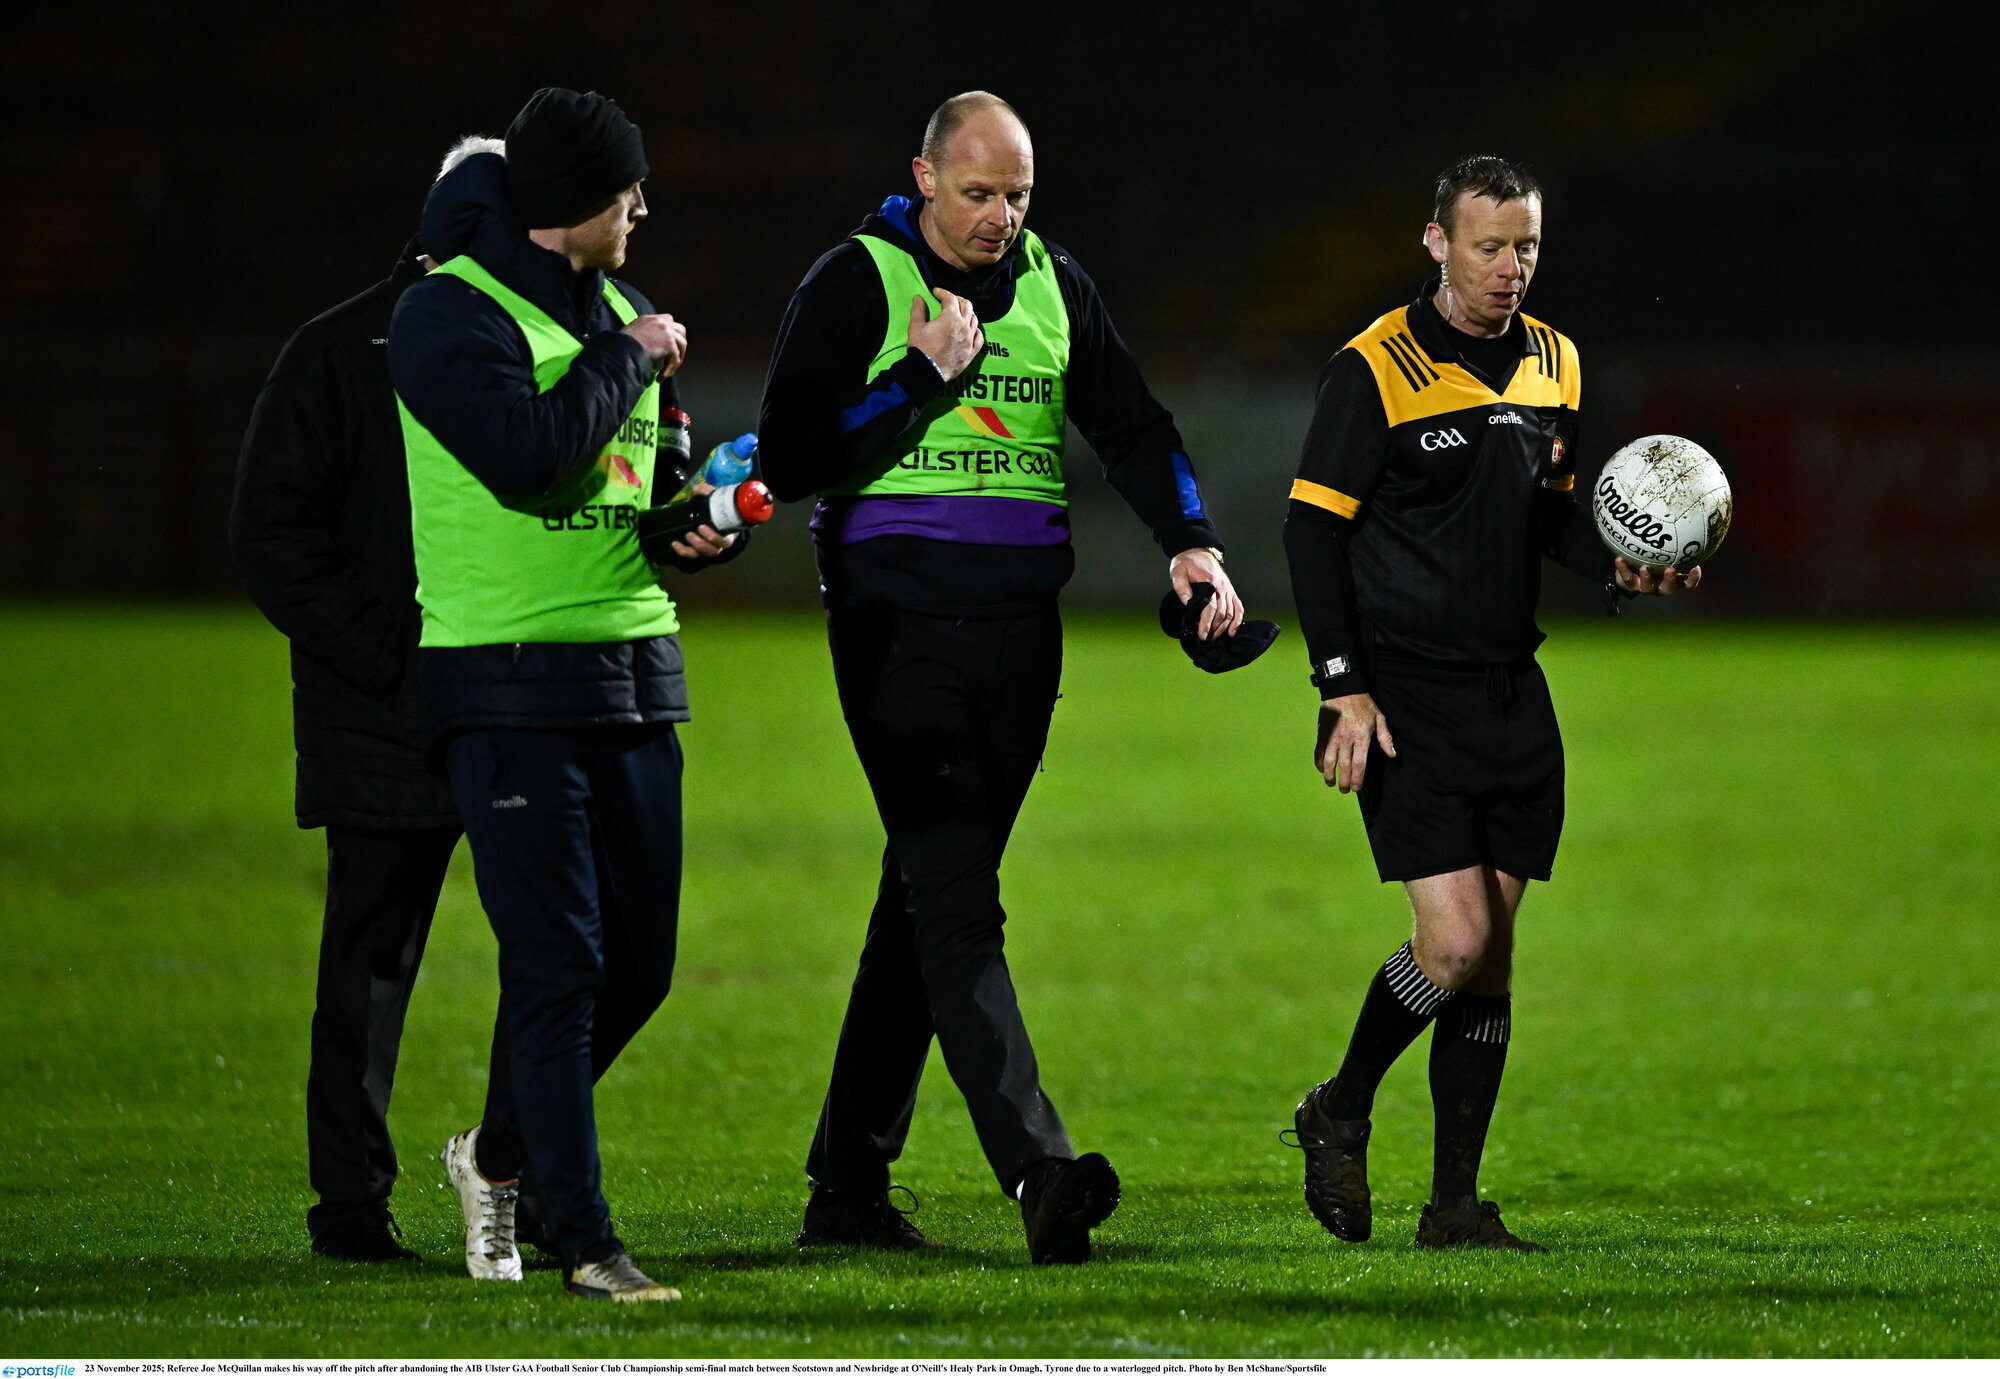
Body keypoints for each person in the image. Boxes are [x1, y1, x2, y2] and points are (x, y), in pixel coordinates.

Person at [759, 90, 1252, 1266]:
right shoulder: (855, 282)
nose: (997, 217)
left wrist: (1188, 537)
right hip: (896, 633)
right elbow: (788, 456)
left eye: (1016, 194)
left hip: (1023, 638)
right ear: (923, 178)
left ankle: (846, 1188)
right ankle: (1036, 1166)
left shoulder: (1053, 282)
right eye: (976, 193)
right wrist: (920, 380)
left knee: (928, 899)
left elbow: (1130, 424)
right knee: (957, 899)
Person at [1280, 156, 1700, 1252]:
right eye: (1487, 246)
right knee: (1455, 939)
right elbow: (1310, 531)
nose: (1509, 267)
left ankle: (1453, 1205)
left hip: (1511, 688)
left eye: (1524, 247)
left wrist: (1616, 567)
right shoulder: (1372, 368)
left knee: (1493, 950)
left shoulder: (1554, 361)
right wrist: (1343, 688)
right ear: (1435, 243)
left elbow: (1546, 517)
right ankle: (1340, 1103)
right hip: (1405, 695)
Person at [389, 87, 743, 1303]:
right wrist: (625, 357)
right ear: (572, 204)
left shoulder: (631, 313)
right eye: (626, 188)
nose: (643, 205)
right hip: (501, 677)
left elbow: (647, 484)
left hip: (633, 666)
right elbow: (531, 457)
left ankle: (493, 1156)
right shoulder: (443, 316)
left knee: (636, 967)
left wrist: (697, 528)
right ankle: (583, 1241)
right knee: (559, 966)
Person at [230, 134, 504, 1264]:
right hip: (398, 706)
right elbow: (271, 536)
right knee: (371, 963)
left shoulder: (538, 344)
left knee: (560, 955)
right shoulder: (340, 350)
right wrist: (395, 654)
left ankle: (516, 1172)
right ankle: (351, 1208)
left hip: (502, 698)